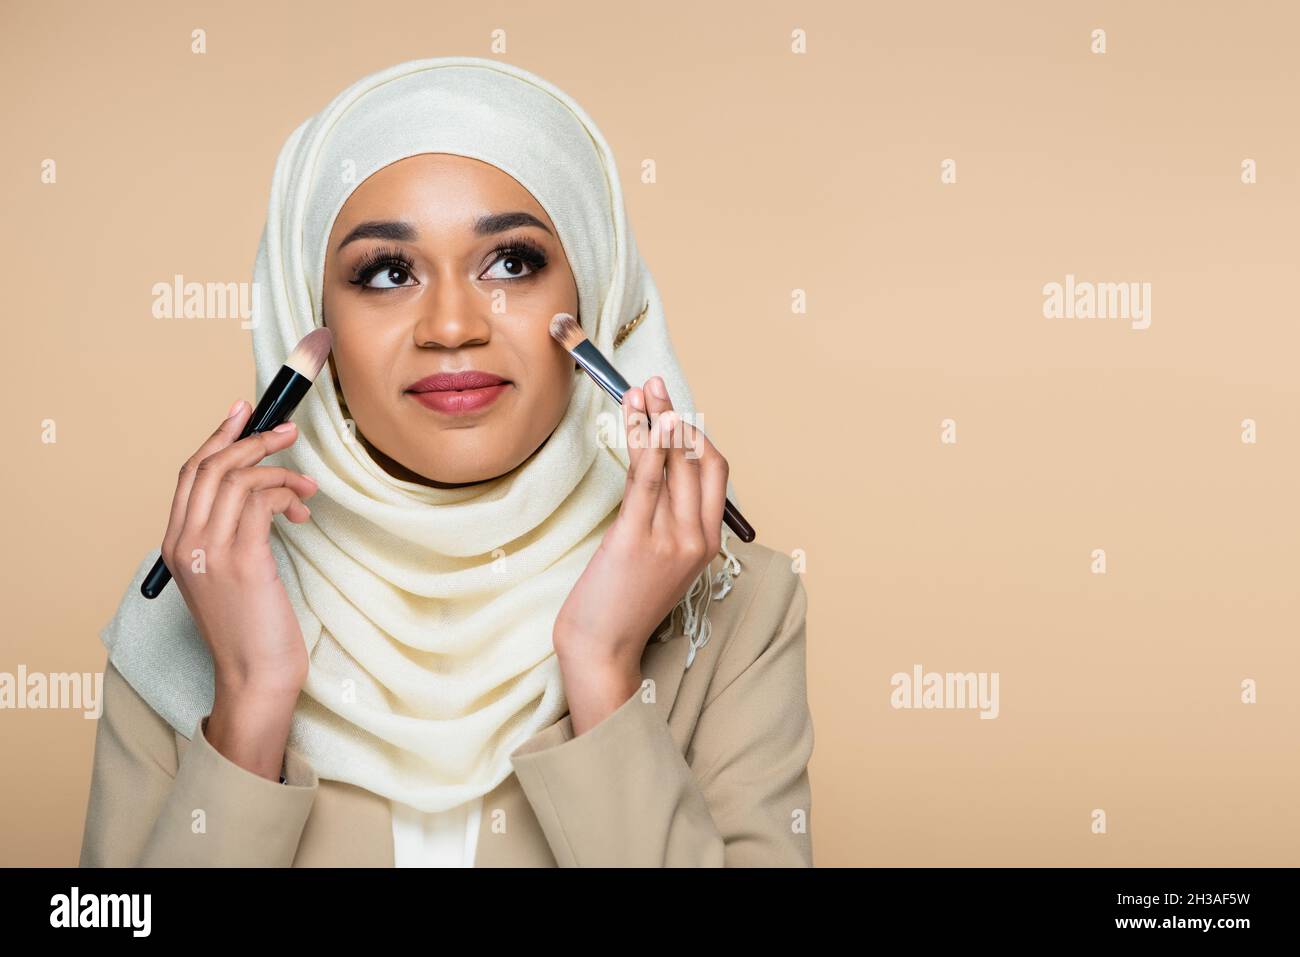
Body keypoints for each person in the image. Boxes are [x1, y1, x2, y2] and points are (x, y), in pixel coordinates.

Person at [79, 55, 813, 867]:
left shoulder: (741, 611)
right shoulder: (197, 597)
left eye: (511, 263)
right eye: (388, 272)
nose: (455, 325)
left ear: (596, 290)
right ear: (306, 312)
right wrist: (249, 702)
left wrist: (602, 670)